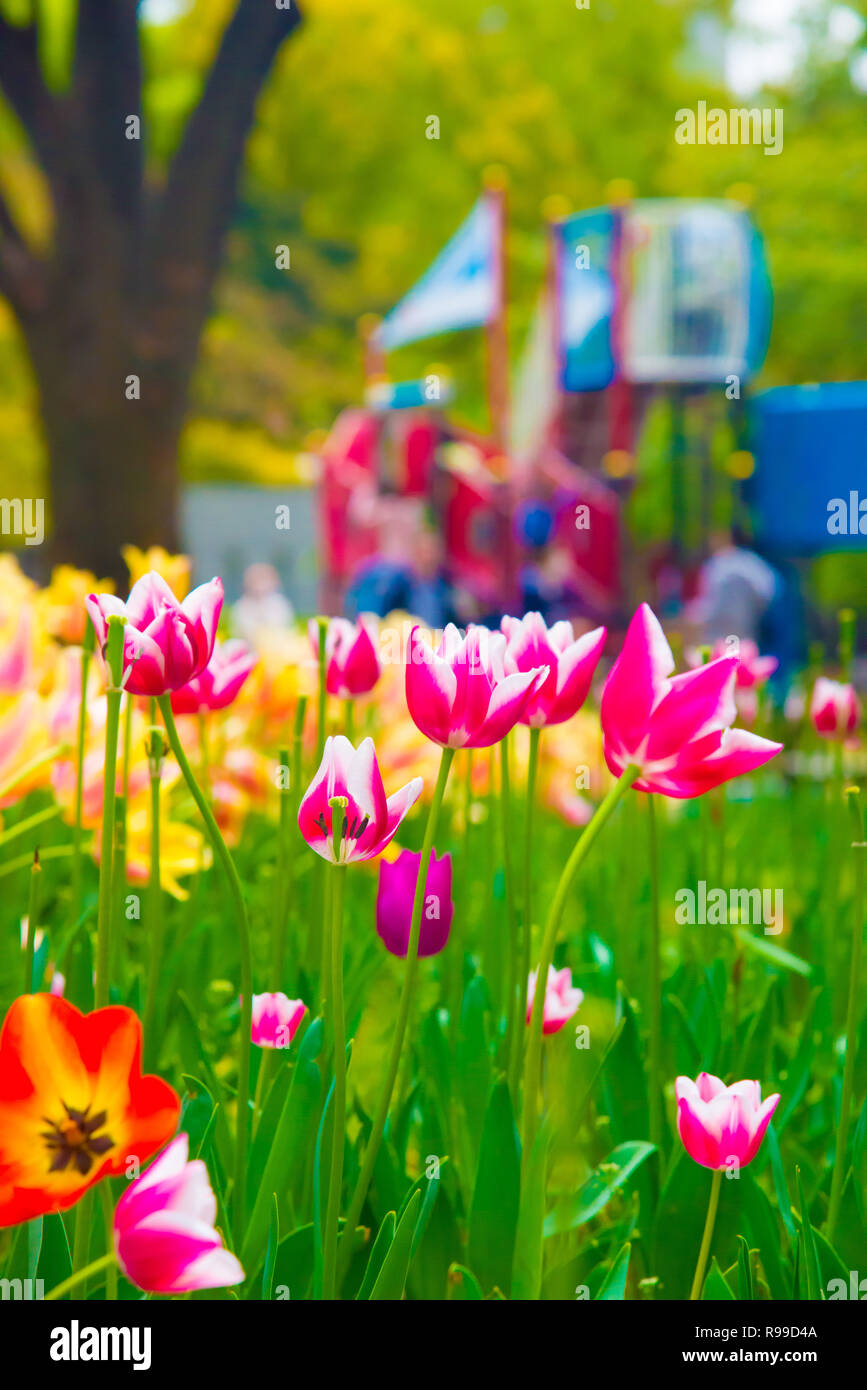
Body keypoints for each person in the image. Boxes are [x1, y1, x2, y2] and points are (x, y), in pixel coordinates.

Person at [691, 527, 779, 646]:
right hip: (746, 632)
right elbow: (770, 591)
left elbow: (710, 606)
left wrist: (692, 616)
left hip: (717, 635)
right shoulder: (751, 562)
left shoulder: (716, 564)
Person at [232, 563, 294, 648]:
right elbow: (243, 631)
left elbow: (283, 628)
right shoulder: (242, 605)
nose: (260, 585)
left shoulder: (279, 603)